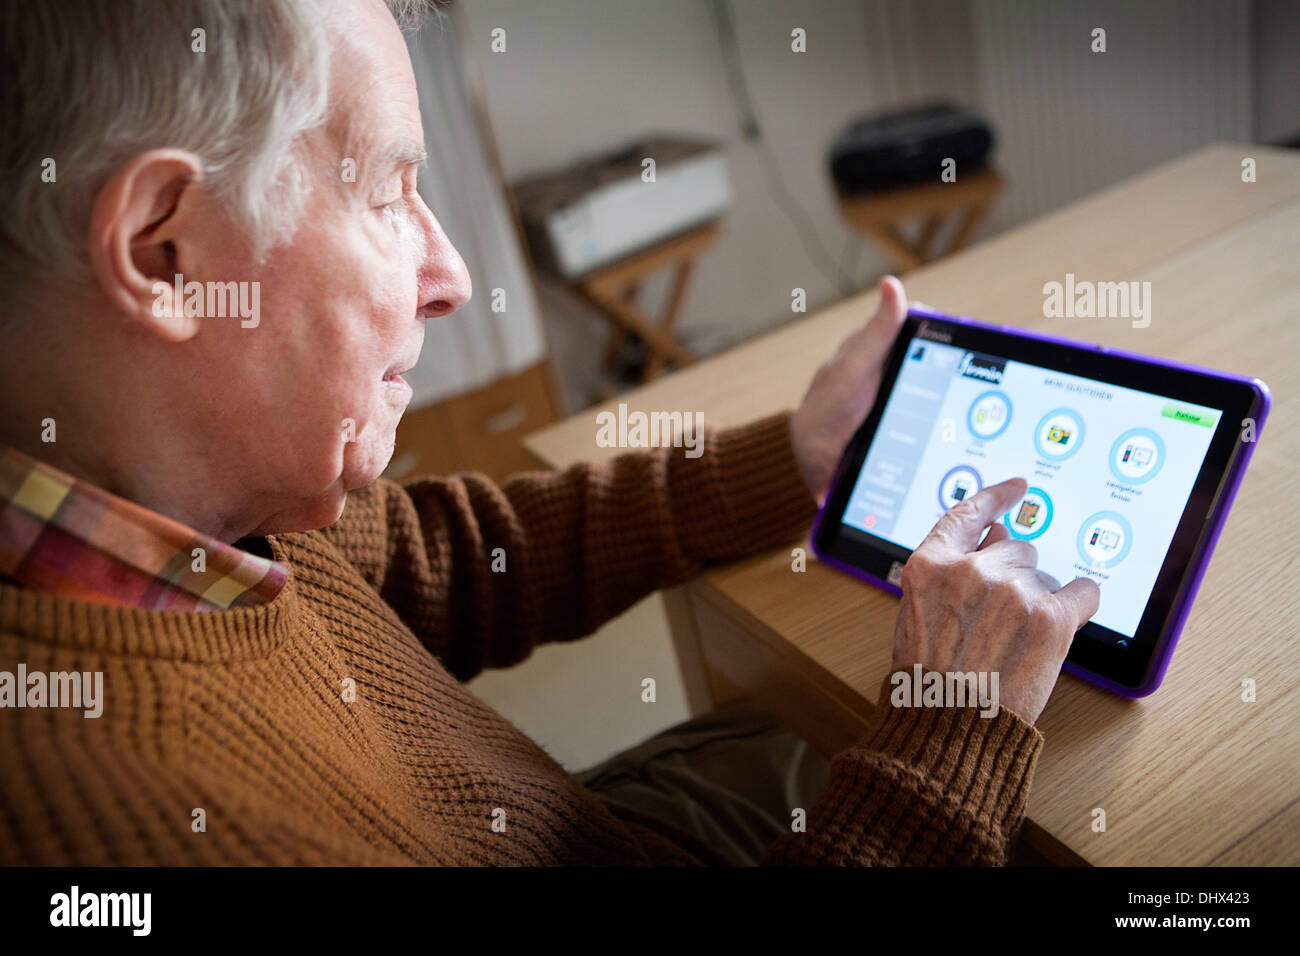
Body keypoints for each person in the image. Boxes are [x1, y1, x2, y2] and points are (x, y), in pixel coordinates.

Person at [0, 0, 1098, 866]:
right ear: (165, 253)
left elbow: (443, 559)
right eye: (390, 193)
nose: (451, 275)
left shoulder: (181, 497)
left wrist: (798, 455)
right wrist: (950, 727)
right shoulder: (128, 830)